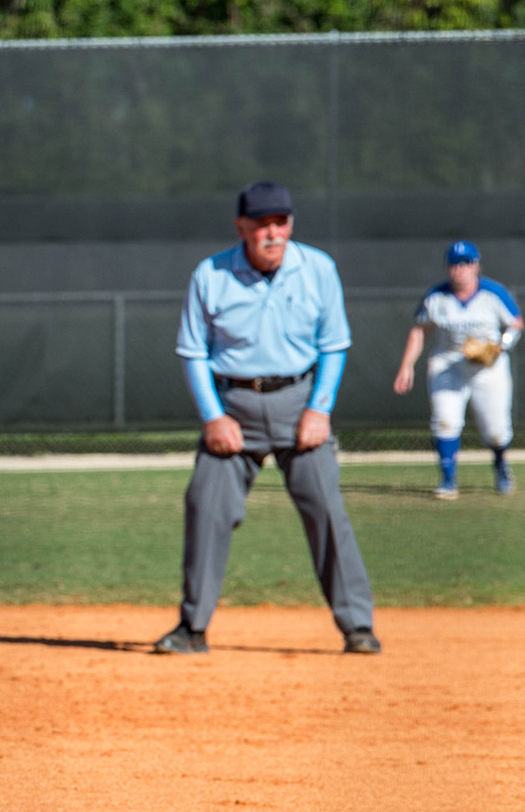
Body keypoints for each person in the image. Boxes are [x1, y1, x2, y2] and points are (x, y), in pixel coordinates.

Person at [153, 182, 379, 657]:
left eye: (281, 222)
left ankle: (358, 626)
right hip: (234, 407)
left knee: (326, 511)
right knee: (205, 506)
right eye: (262, 225)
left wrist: (320, 407)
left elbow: (333, 345)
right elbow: (193, 353)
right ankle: (192, 628)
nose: (273, 233)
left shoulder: (317, 268)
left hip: (300, 401)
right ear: (242, 227)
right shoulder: (210, 275)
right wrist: (213, 418)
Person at [393, 241, 520, 498]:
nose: (460, 269)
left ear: (476, 265)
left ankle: (500, 465)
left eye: (466, 263)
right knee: (445, 420)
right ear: (447, 268)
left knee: (496, 429)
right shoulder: (437, 297)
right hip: (449, 363)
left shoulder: (492, 293)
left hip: (488, 367)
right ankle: (448, 479)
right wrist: (407, 366)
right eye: (455, 264)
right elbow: (420, 330)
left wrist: (501, 346)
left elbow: (516, 324)